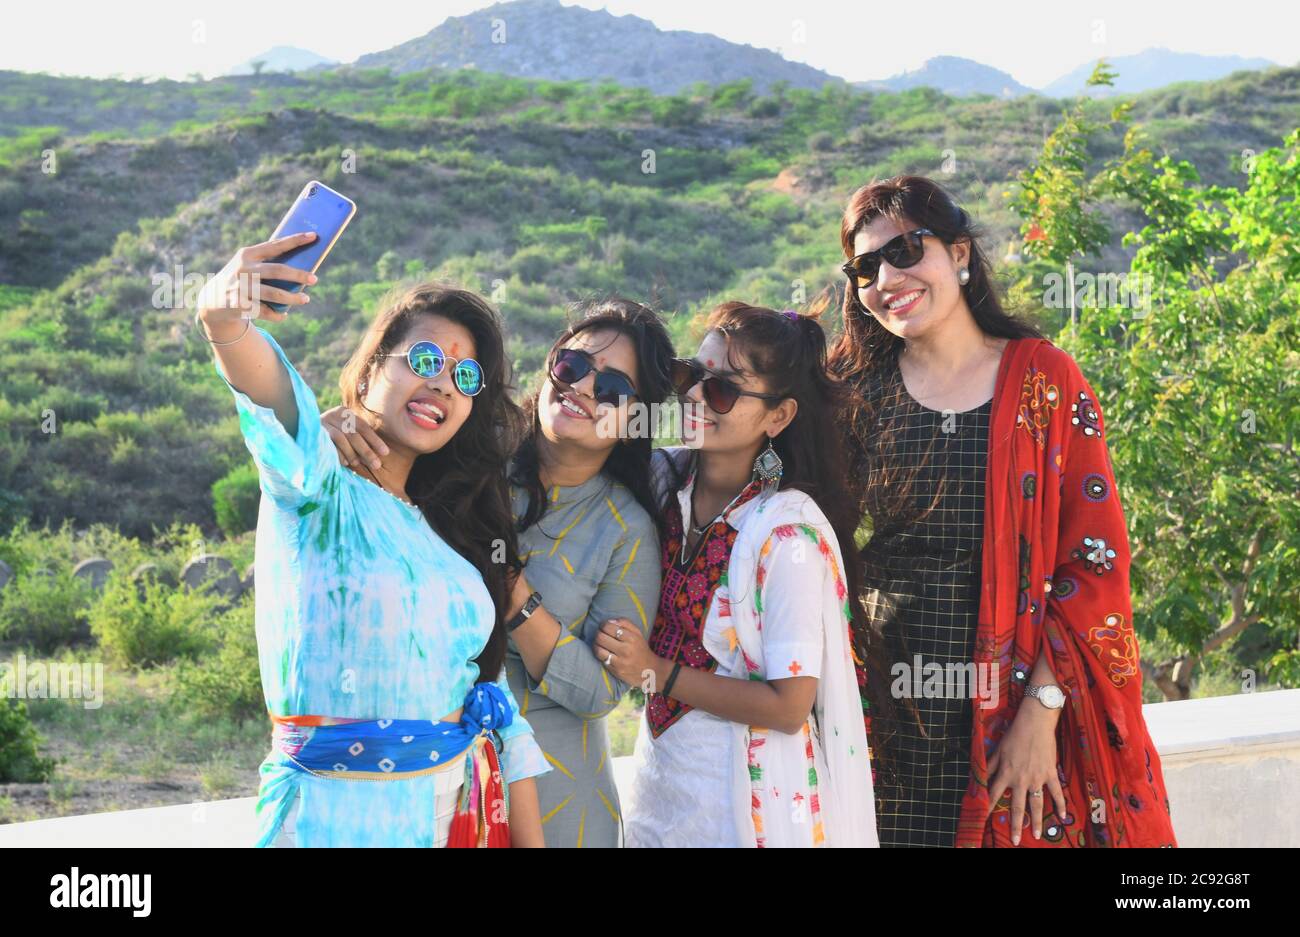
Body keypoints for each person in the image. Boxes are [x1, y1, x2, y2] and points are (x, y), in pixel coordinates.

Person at [828, 174, 1176, 847]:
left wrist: (1041, 715)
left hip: (1009, 702)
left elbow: (1093, 566)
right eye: (864, 266)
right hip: (882, 709)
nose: (885, 278)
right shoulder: (855, 393)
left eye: (904, 251)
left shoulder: (1044, 381)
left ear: (959, 253)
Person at [196, 230, 549, 847]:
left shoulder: (448, 531)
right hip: (334, 824)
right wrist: (222, 318)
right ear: (370, 367)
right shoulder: (316, 486)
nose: (443, 383)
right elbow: (268, 392)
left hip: (456, 816)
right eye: (423, 360)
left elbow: (490, 709)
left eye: (465, 377)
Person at [325, 298, 671, 847]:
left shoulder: (625, 530)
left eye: (612, 391)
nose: (581, 389)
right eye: (574, 366)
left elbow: (602, 693)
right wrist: (344, 420)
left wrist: (515, 595)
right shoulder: (466, 458)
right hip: (426, 781)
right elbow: (386, 446)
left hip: (558, 801)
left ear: (633, 423)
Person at [609, 302, 878, 848]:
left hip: (750, 804)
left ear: (778, 417)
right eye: (692, 376)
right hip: (658, 787)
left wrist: (655, 670)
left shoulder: (787, 533)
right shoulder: (665, 486)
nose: (696, 398)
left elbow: (788, 705)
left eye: (724, 389)